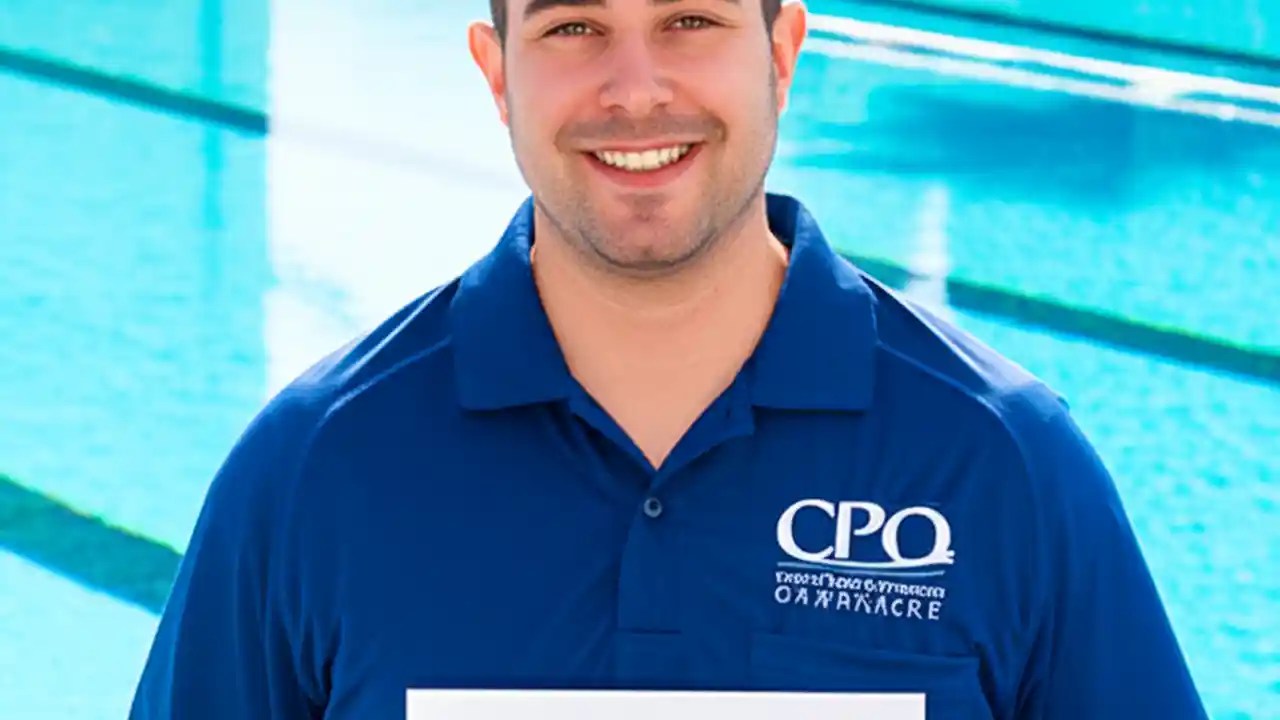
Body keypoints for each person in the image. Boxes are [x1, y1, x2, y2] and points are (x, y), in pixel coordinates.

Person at [128, 1, 1209, 718]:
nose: (634, 89)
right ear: (495, 71)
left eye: (687, 19)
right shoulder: (319, 468)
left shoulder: (999, 464)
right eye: (573, 27)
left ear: (781, 53)